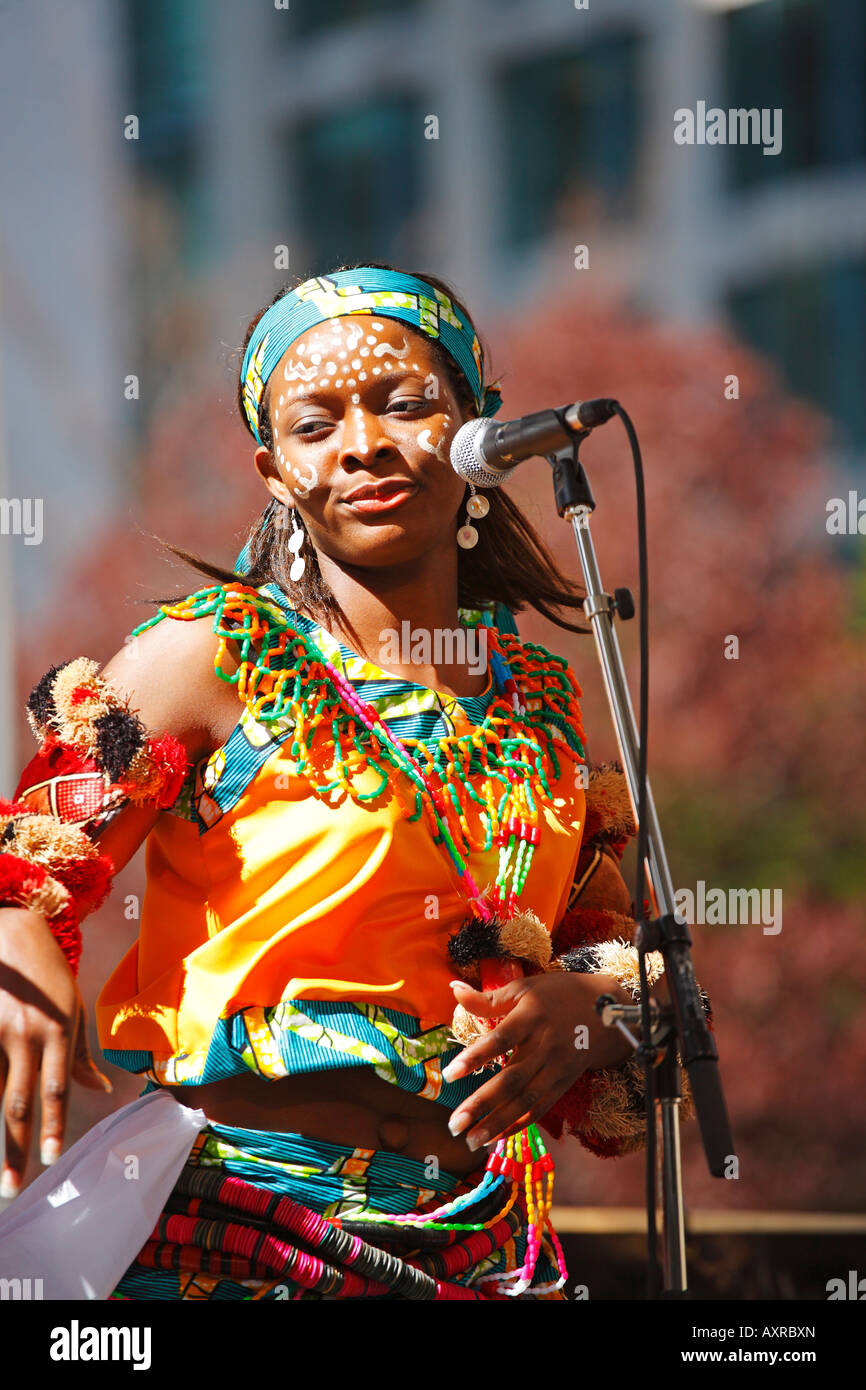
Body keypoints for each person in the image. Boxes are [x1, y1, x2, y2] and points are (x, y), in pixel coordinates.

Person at [0, 263, 705, 1300]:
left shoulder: (542, 707)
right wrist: (21, 944)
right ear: (274, 472)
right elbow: (29, 865)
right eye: (314, 424)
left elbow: (636, 972)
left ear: (476, 433)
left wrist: (593, 1009)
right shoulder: (212, 655)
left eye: (406, 404)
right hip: (243, 1236)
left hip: (487, 1244)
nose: (364, 443)